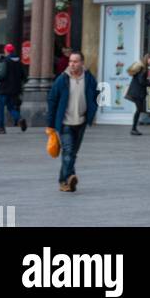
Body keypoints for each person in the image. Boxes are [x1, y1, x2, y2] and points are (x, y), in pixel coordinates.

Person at [46, 50, 98, 192]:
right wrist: (50, 125)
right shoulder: (62, 79)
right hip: (65, 122)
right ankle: (68, 177)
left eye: (75, 61)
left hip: (80, 122)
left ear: (82, 63)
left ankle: (66, 181)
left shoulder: (88, 78)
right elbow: (52, 100)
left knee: (73, 153)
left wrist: (92, 112)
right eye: (70, 61)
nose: (72, 64)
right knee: (68, 151)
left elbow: (95, 94)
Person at [0, 43, 27, 134]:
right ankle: (19, 118)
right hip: (15, 89)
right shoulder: (19, 62)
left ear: (6, 50)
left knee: (1, 108)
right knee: (10, 107)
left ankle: (1, 127)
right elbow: (24, 76)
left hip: (4, 88)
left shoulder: (6, 61)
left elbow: (2, 75)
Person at [125, 51, 150, 135]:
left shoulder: (141, 68)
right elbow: (141, 81)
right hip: (138, 93)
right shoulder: (143, 69)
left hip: (136, 92)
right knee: (138, 110)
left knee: (139, 110)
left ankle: (134, 128)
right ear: (147, 59)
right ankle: (133, 129)